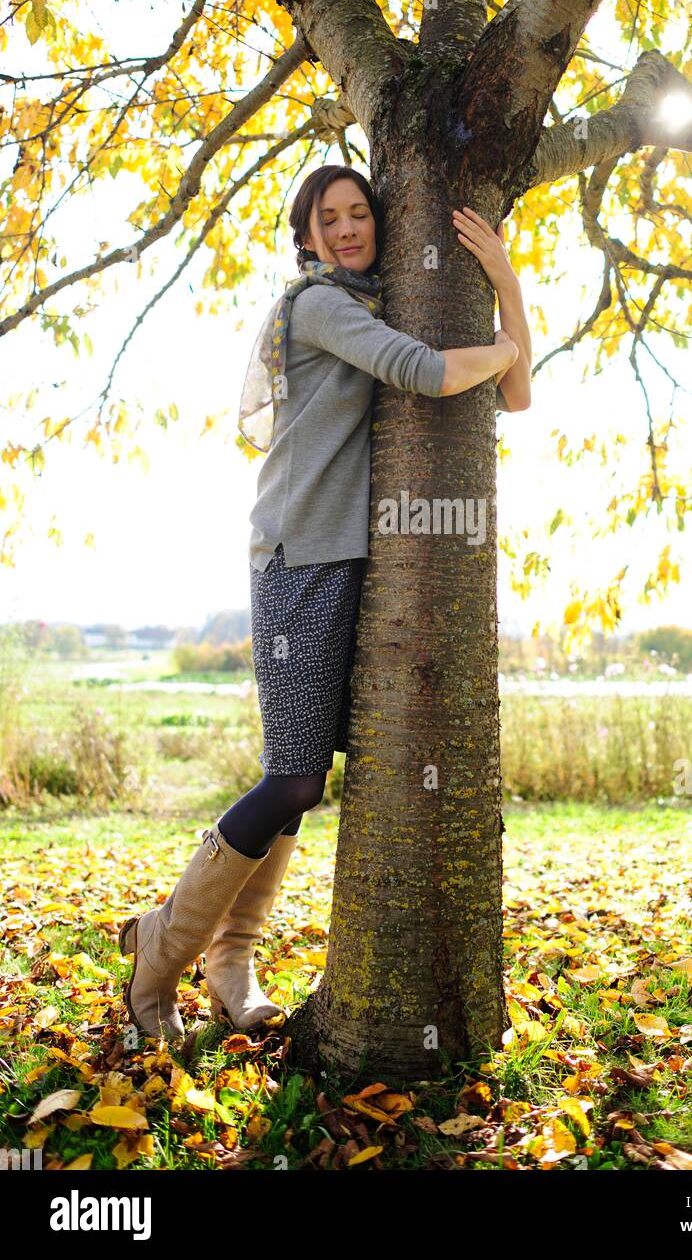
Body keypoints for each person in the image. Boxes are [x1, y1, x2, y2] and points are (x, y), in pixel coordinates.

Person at [118, 164, 531, 1042]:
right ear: (306, 236)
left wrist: (504, 281)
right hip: (296, 559)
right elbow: (419, 371)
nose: (346, 229)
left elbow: (517, 393)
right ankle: (158, 956)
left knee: (303, 785)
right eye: (328, 219)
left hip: (346, 563)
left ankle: (231, 965)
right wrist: (498, 348)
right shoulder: (316, 307)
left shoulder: (384, 298)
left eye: (358, 214)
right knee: (296, 775)